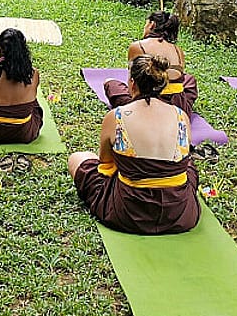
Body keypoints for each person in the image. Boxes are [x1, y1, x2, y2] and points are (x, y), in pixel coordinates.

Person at [69, 55, 200, 235]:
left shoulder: (117, 116)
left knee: (77, 159)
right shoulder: (181, 116)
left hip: (128, 214)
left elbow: (105, 166)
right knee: (189, 168)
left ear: (132, 83)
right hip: (179, 214)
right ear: (163, 84)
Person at [104, 12, 197, 115]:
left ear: (152, 24)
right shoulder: (178, 50)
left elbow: (132, 86)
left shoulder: (138, 47)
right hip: (179, 107)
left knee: (110, 84)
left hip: (148, 107)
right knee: (189, 79)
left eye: (146, 24)